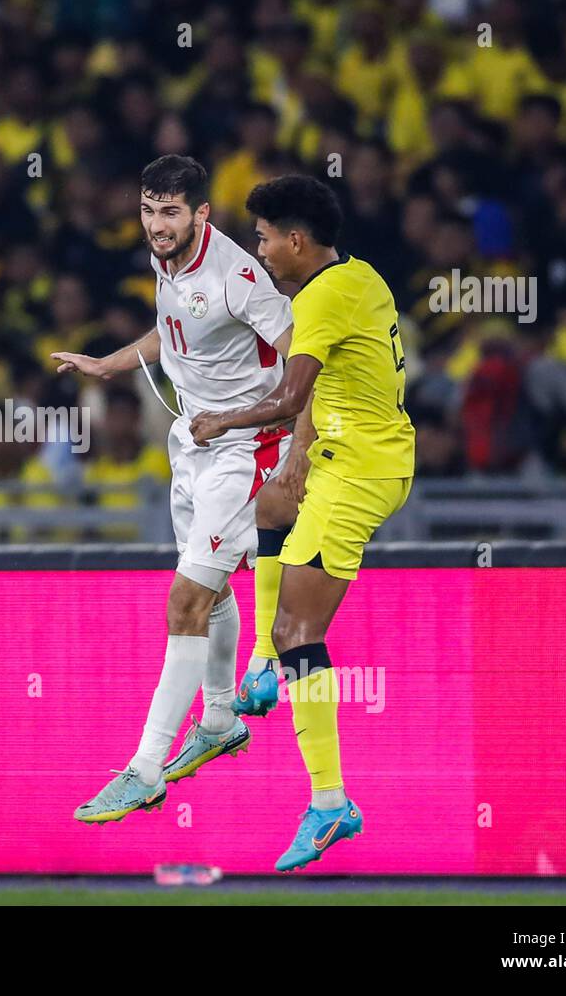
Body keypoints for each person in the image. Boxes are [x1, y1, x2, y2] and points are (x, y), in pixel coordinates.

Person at [51, 154, 304, 823]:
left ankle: (144, 769)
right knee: (211, 590)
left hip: (245, 450)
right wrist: (113, 362)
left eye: (169, 212)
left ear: (201, 214)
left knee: (186, 601)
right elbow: (174, 329)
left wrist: (298, 457)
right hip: (190, 445)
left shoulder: (240, 278)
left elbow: (304, 365)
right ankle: (220, 721)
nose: (156, 225)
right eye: (147, 210)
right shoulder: (167, 260)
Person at [189, 174, 416, 870]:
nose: (256, 252)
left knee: (298, 633)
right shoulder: (359, 276)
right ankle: (262, 669)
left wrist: (222, 419)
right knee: (271, 505)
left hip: (359, 473)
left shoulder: (315, 301)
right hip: (352, 452)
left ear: (294, 239)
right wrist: (295, 456)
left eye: (260, 238)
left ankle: (329, 803)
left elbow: (292, 394)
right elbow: (327, 384)